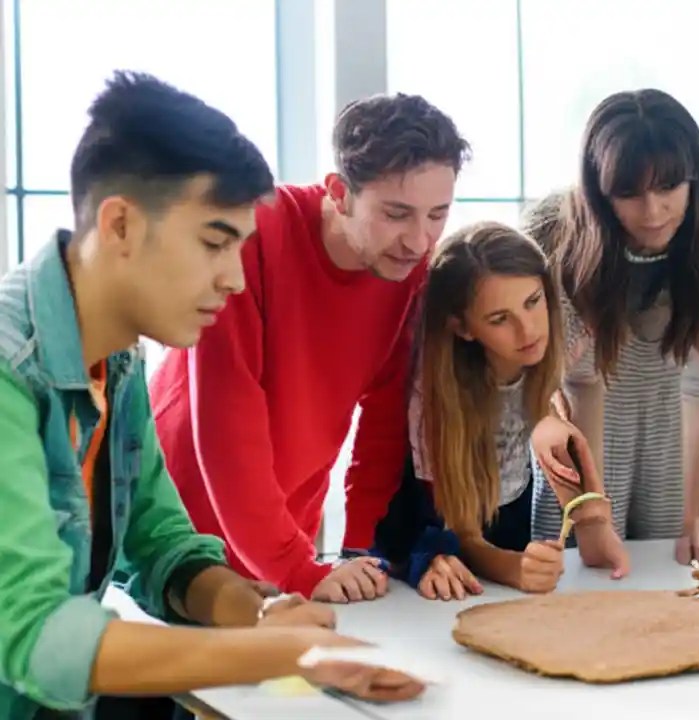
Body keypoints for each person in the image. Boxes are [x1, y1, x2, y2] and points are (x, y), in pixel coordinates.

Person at [0, 71, 423, 720]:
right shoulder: (9, 374)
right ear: (119, 226)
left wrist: (260, 613)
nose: (231, 279)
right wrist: (281, 656)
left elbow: (165, 545)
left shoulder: (116, 360)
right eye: (213, 244)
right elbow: (38, 638)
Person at [150, 93, 471, 603]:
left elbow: (384, 420)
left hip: (288, 528)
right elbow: (225, 419)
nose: (419, 238)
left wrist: (359, 548)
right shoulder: (252, 234)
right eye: (396, 213)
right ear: (340, 192)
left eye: (438, 214)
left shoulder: (407, 272)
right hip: (179, 528)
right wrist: (294, 566)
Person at [521, 89, 699, 567]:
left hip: (671, 418)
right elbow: (567, 385)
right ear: (597, 190)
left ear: (694, 175)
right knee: (573, 572)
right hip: (576, 422)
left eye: (669, 187)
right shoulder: (551, 234)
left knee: (666, 567)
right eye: (629, 193)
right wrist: (592, 517)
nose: (653, 212)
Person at [372, 222, 629, 599]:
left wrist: (593, 524)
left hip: (506, 509)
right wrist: (514, 568)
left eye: (533, 301)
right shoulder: (429, 394)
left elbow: (551, 414)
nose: (528, 331)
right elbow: (461, 535)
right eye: (499, 319)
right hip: (423, 535)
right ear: (462, 328)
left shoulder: (545, 342)